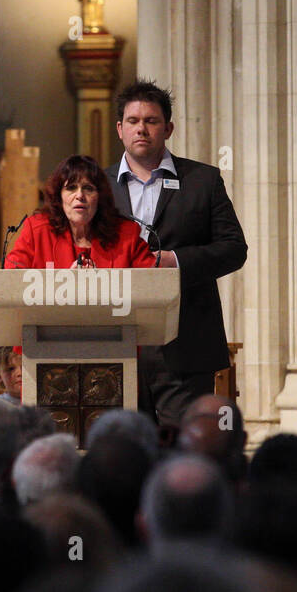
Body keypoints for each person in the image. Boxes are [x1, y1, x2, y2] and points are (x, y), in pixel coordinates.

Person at [106, 81, 247, 428]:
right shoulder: (98, 186)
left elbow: (233, 249)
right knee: (125, 452)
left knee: (185, 451)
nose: (142, 128)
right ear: (120, 128)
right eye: (133, 120)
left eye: (152, 120)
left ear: (168, 128)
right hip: (115, 342)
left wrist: (176, 261)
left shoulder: (203, 180)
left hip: (185, 342)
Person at [4, 154, 156, 270]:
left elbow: (153, 286)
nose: (80, 196)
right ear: (59, 196)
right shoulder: (37, 231)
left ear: (100, 197)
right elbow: (10, 282)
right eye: (71, 188)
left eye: (88, 188)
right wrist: (63, 285)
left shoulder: (126, 235)